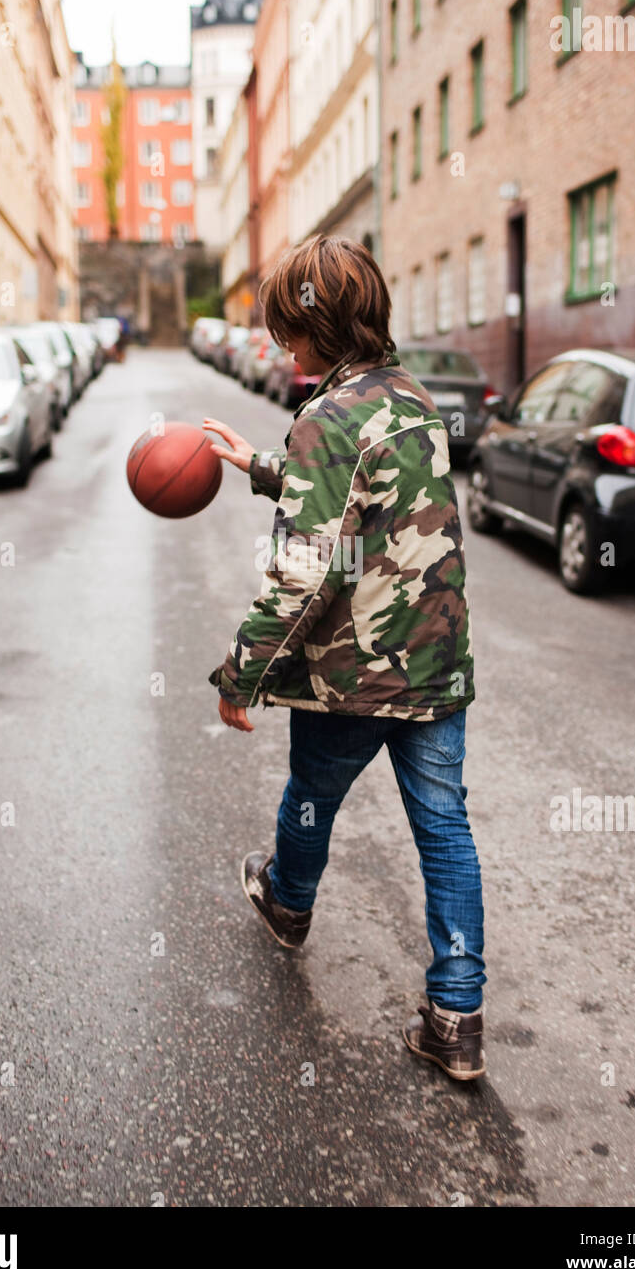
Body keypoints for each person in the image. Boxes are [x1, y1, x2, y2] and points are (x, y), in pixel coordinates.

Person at [203, 235, 486, 1082]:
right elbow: (365, 496)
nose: (283, 346)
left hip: (356, 674)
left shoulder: (327, 417)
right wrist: (256, 463)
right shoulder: (410, 399)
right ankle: (455, 1018)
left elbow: (304, 573)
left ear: (314, 329)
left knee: (310, 799)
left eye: (288, 330)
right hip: (435, 666)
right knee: (444, 832)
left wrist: (239, 673)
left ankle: (287, 906)